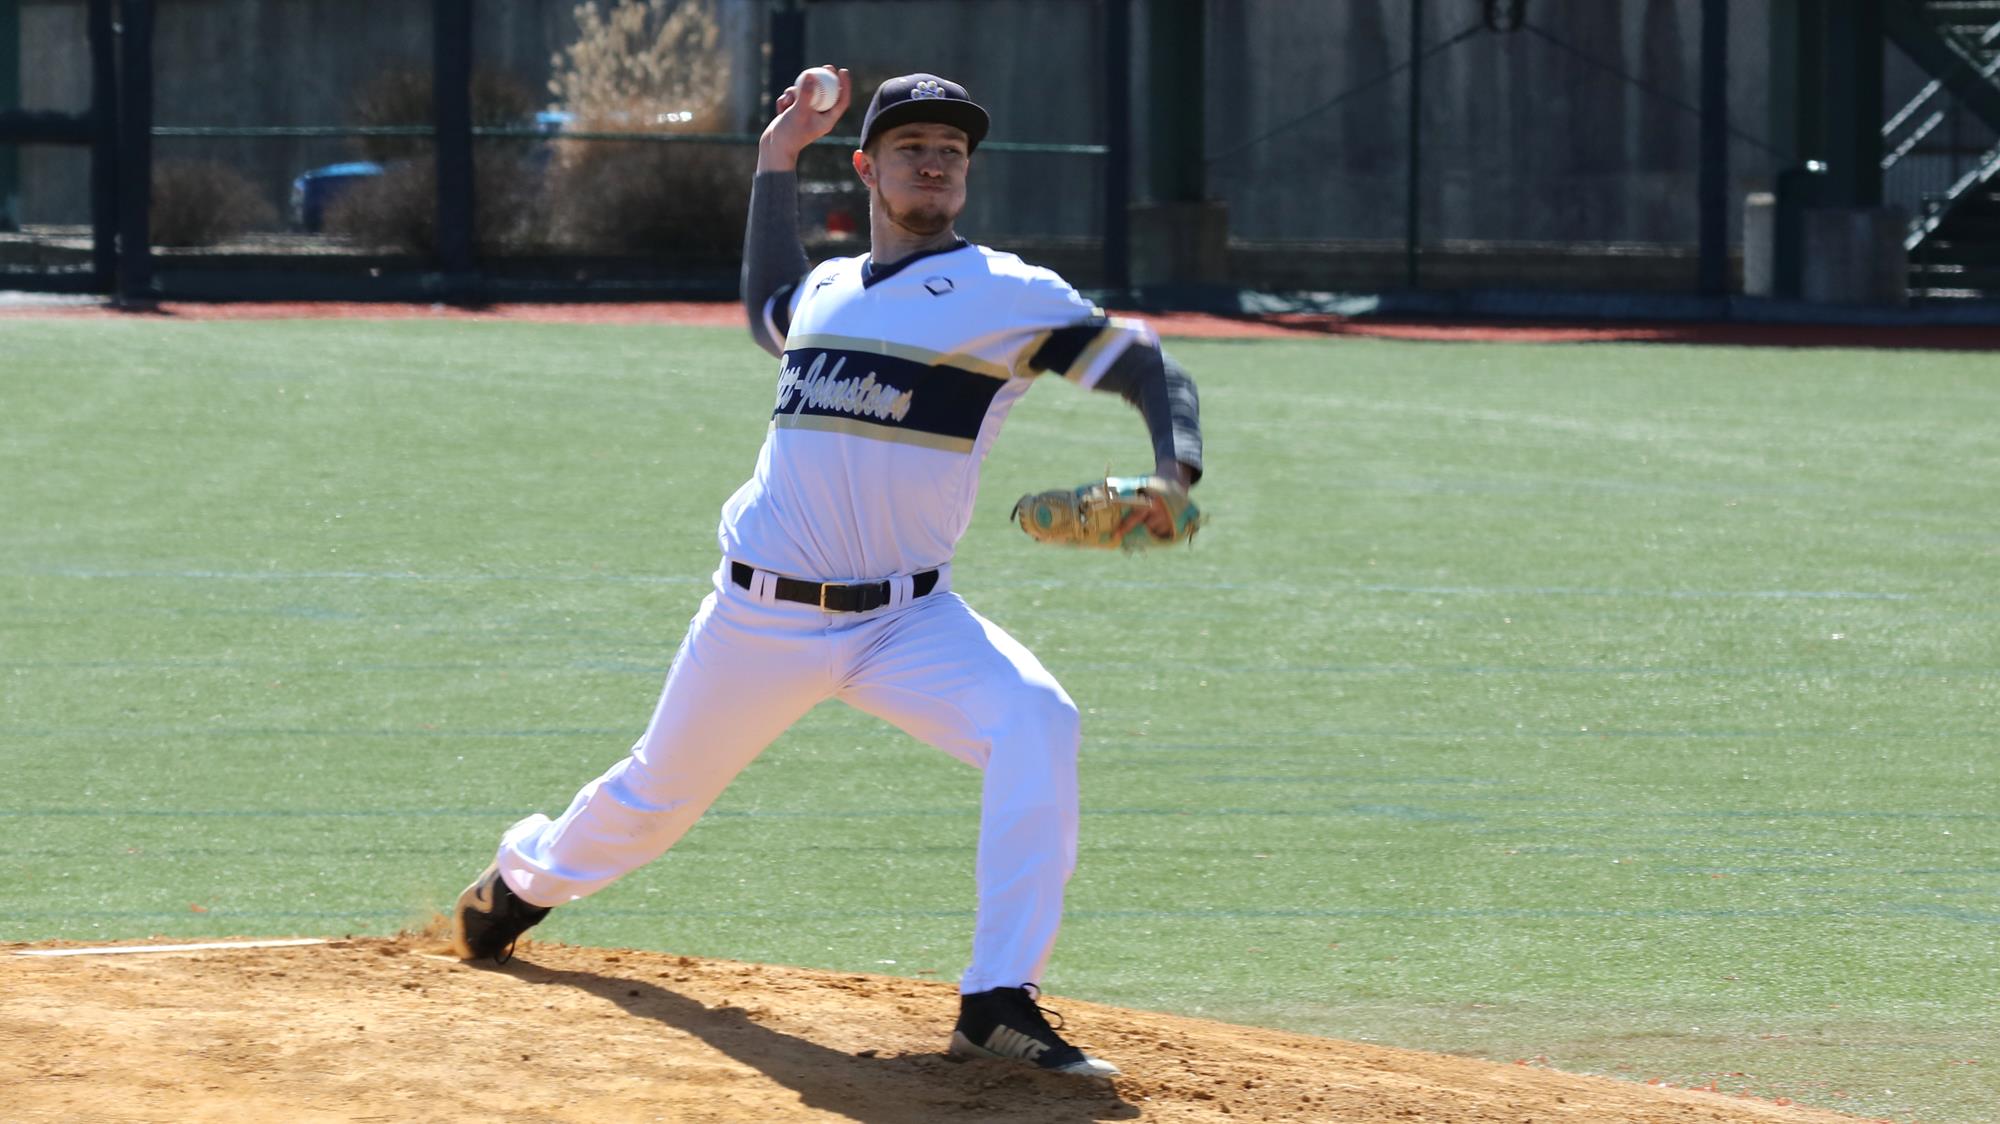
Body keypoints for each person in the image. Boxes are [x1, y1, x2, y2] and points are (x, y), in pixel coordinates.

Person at [450, 67, 1203, 1079]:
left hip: (908, 620)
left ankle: (995, 995)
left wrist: (1171, 472)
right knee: (653, 797)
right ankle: (518, 880)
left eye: (951, 151)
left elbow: (1148, 362)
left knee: (1038, 717)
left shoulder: (1006, 295)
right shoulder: (825, 289)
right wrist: (774, 154)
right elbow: (766, 298)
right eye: (910, 147)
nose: (933, 162)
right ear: (868, 167)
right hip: (757, 615)